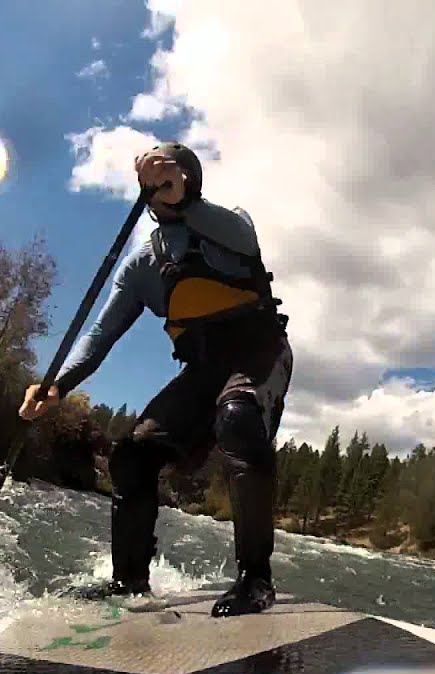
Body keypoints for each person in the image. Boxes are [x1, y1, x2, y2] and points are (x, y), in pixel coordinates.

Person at [18, 142, 292, 618]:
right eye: (157, 183)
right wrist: (57, 385)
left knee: (238, 418)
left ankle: (255, 579)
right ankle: (129, 582)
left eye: (175, 178)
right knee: (131, 455)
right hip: (202, 372)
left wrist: (182, 198)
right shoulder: (142, 265)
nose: (165, 187)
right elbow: (101, 333)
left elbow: (241, 236)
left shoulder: (231, 226)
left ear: (191, 181)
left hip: (259, 353)